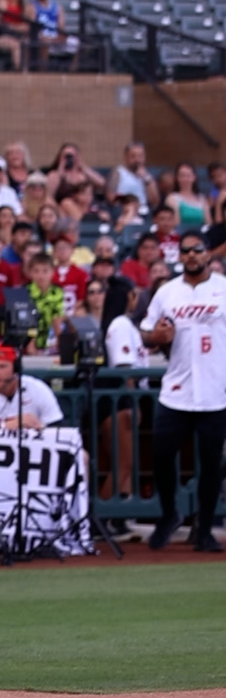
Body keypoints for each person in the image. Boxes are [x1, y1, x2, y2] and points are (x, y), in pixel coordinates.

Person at [141, 234, 226, 551]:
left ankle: (204, 530)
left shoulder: (223, 288)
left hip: (215, 389)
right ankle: (169, 514)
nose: (191, 255)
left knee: (211, 464)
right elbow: (146, 332)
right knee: (161, 456)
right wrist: (156, 336)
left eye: (197, 250)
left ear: (208, 254)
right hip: (177, 389)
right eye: (185, 250)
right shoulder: (167, 291)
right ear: (179, 256)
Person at [0, 343, 63, 431]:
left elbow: (56, 425)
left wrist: (39, 426)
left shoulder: (37, 388)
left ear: (15, 368)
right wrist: (8, 426)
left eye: (2, 366)